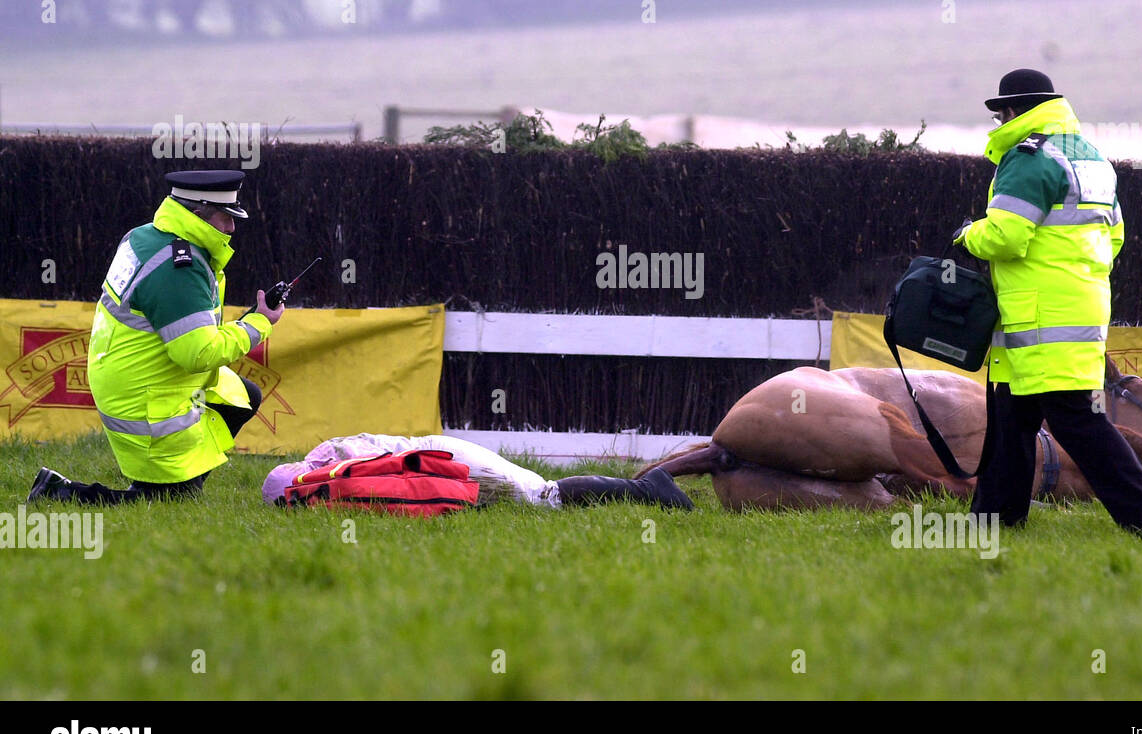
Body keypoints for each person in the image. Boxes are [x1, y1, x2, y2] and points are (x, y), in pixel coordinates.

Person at [954, 69, 1142, 535]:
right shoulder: (1092, 159)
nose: (998, 121)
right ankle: (993, 521)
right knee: (1011, 419)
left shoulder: (1028, 159)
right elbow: (1114, 239)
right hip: (1076, 312)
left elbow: (1005, 236)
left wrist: (966, 235)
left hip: (1039, 317)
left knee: (1081, 424)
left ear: (1014, 111)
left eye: (1000, 112)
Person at [28, 170, 281, 505]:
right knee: (156, 502)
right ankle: (56, 493)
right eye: (225, 217)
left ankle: (182, 486)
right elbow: (197, 353)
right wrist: (260, 324)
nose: (232, 228)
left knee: (244, 396)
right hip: (145, 398)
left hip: (133, 376)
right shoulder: (180, 267)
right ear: (198, 212)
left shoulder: (145, 236)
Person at [260, 432, 693, 510]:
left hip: (440, 458)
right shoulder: (326, 460)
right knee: (532, 497)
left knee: (542, 497)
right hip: (439, 455)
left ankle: (646, 489)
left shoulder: (335, 463)